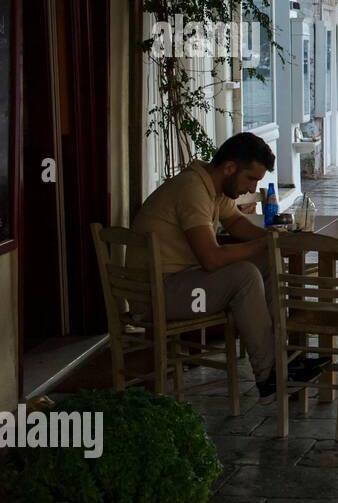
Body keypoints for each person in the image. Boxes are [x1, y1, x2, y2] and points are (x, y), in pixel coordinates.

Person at [129, 133, 325, 404]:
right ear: (230, 167)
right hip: (156, 294)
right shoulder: (192, 189)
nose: (252, 187)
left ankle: (285, 358)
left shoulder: (210, 184)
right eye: (251, 179)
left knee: (267, 261)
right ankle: (270, 375)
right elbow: (211, 258)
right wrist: (264, 245)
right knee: (244, 275)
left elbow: (235, 223)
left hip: (180, 282)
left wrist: (275, 240)